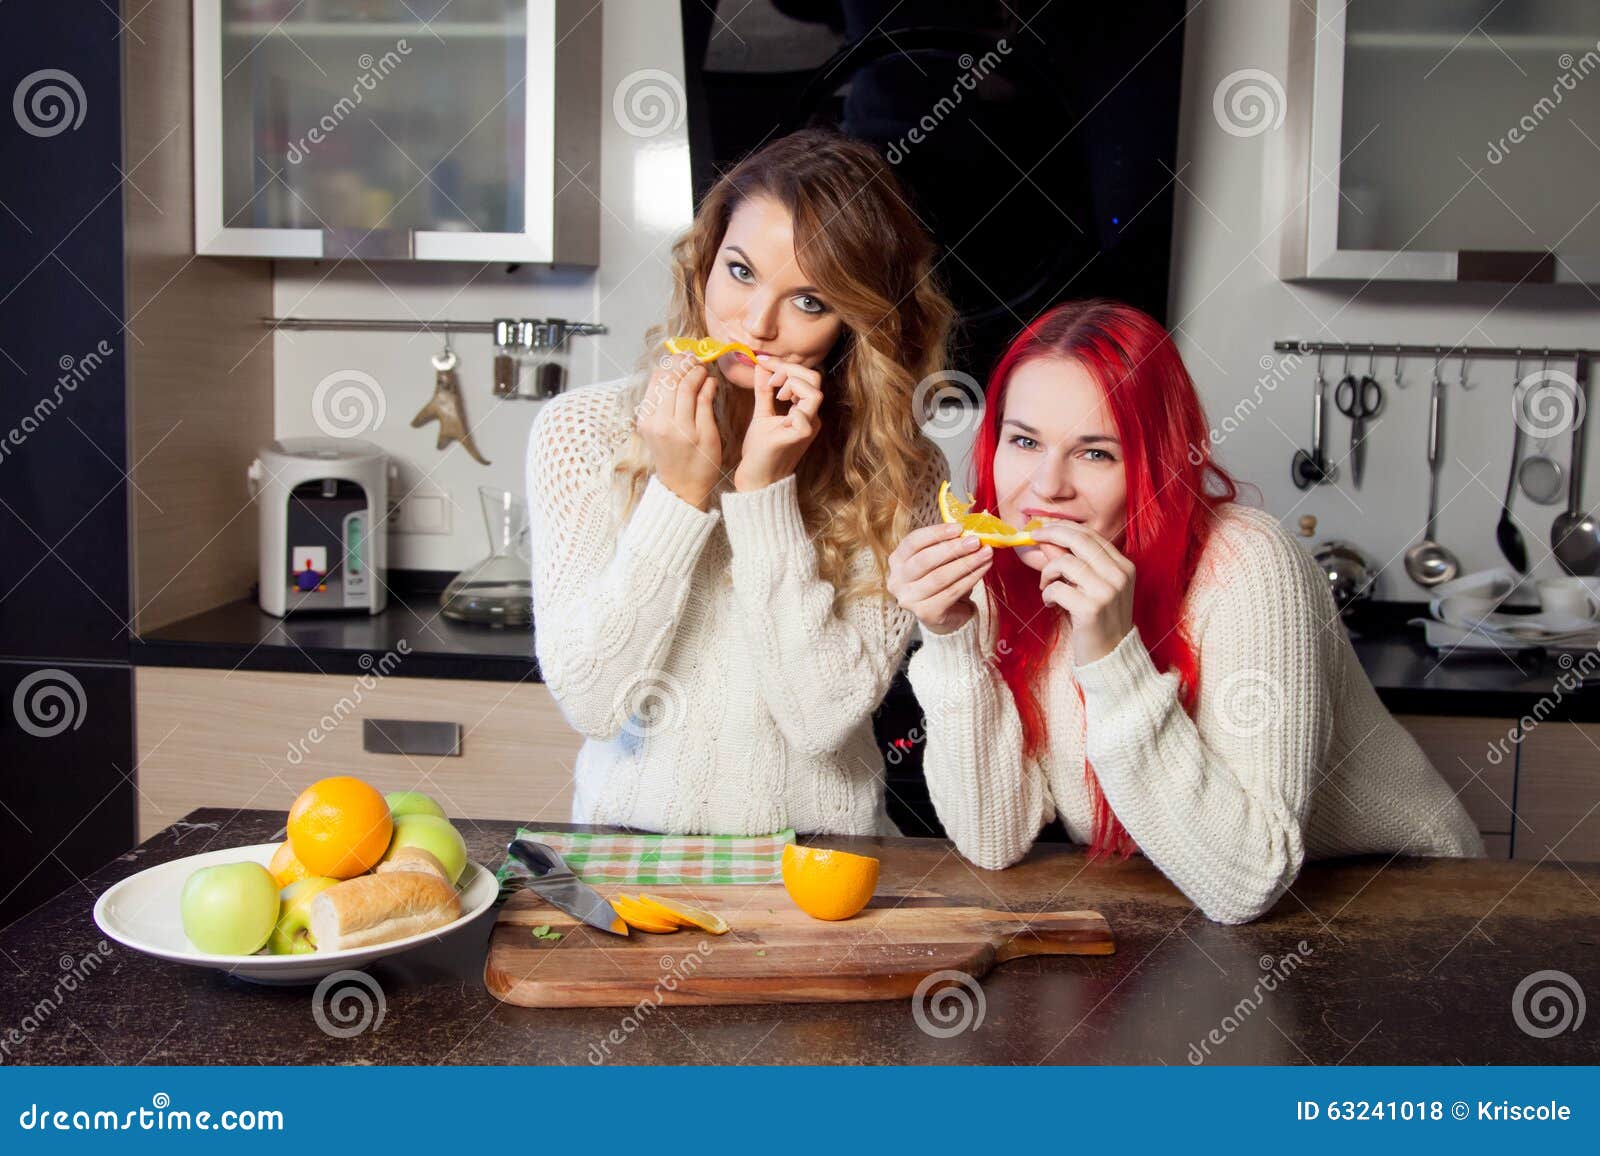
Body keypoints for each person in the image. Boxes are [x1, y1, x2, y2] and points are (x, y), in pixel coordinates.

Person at [889, 299, 1483, 923]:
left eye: (1096, 453)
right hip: (1186, 903)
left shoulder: (1249, 565)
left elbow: (1248, 881)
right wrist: (951, 641)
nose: (1046, 487)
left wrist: (1112, 655)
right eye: (1024, 440)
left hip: (1411, 901)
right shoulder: (1000, 576)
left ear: (1157, 464)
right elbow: (992, 838)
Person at [525, 128, 953, 835]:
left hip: (822, 865)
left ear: (853, 324)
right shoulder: (582, 432)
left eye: (809, 301)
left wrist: (763, 495)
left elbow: (822, 721)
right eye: (741, 271)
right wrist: (679, 495)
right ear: (703, 264)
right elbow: (593, 700)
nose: (757, 324)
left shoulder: (902, 472)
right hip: (628, 855)